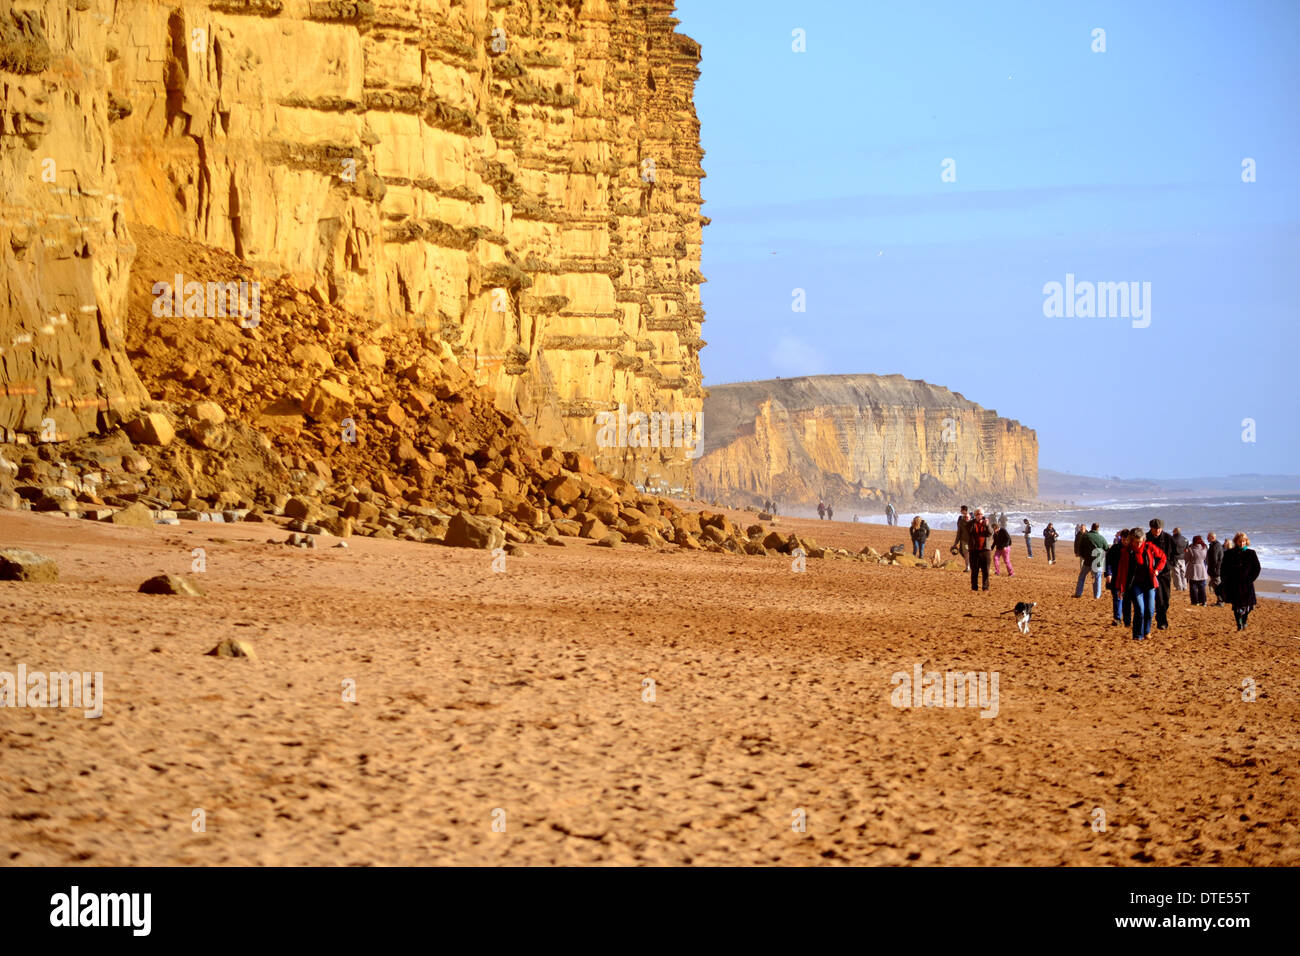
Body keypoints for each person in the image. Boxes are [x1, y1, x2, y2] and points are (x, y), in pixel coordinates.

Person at [1117, 526, 1166, 641]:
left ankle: (1147, 631)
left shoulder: (1149, 547)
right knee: (1140, 609)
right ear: (1131, 540)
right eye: (1135, 542)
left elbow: (1163, 557)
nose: (1138, 544)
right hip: (1135, 585)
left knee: (1149, 610)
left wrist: (1157, 570)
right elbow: (1122, 570)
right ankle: (1137, 635)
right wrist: (1120, 588)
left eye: (1140, 542)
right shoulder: (1127, 552)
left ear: (1143, 540)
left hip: (1149, 583)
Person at [1220, 533, 1261, 631]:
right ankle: (1239, 624)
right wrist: (1224, 580)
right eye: (1240, 541)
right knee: (1236, 605)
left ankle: (1244, 621)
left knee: (1249, 606)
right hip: (1234, 583)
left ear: (1246, 541)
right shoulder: (1229, 553)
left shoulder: (1251, 553)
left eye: (1244, 541)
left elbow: (1257, 568)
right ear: (1236, 541)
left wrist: (1251, 579)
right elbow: (1223, 568)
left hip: (1247, 584)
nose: (1242, 543)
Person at [1146, 519, 1176, 630]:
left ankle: (1161, 615)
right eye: (1155, 528)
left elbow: (1175, 553)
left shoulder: (1168, 538)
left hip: (1165, 572)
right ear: (1151, 528)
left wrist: (1170, 564)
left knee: (1166, 598)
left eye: (1159, 528)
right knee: (1159, 598)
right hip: (1152, 572)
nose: (1157, 531)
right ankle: (1162, 621)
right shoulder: (1146, 538)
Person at [1103, 529, 1130, 626]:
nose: (1125, 541)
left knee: (1127, 599)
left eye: (1127, 540)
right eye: (1123, 539)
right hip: (1115, 577)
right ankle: (1117, 618)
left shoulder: (1132, 549)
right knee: (1117, 598)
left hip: (1128, 578)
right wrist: (1108, 574)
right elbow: (1108, 561)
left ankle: (1127, 619)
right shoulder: (1115, 548)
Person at [1074, 523, 1107, 599]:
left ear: (1091, 528)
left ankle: (1078, 593)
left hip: (1088, 560)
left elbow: (1080, 548)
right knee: (1098, 578)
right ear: (1098, 529)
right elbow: (1106, 548)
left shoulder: (1086, 536)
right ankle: (1097, 596)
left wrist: (1084, 556)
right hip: (1097, 561)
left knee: (1082, 576)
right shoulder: (1101, 537)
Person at [967, 508, 993, 592]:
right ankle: (974, 587)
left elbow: (990, 533)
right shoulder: (971, 523)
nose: (979, 516)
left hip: (985, 550)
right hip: (974, 550)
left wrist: (987, 525)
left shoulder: (987, 523)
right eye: (978, 514)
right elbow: (969, 531)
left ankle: (985, 587)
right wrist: (974, 522)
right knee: (974, 570)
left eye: (981, 514)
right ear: (975, 515)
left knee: (986, 570)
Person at [1185, 535, 1209, 606]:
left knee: (1193, 586)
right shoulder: (1204, 548)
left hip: (1193, 567)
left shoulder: (1191, 548)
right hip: (1202, 567)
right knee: (1202, 586)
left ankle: (1195, 601)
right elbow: (1206, 558)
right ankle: (1204, 601)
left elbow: (1187, 558)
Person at [1206, 532, 1224, 606]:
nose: (1207, 538)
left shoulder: (1216, 545)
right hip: (1215, 569)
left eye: (1208, 537)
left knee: (1217, 585)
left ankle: (1221, 601)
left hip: (1216, 570)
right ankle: (1220, 600)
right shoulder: (1214, 545)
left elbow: (1215, 559)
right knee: (1215, 585)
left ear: (1212, 538)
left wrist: (1213, 569)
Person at [952, 505, 971, 572]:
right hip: (963, 540)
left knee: (966, 553)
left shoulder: (971, 522)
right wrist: (956, 542)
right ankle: (968, 565)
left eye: (961, 510)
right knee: (963, 552)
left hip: (968, 540)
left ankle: (968, 566)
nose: (966, 518)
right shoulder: (961, 520)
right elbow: (959, 532)